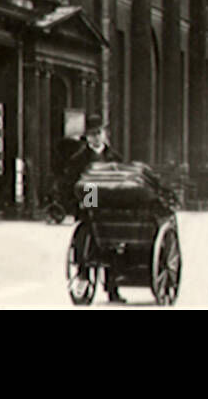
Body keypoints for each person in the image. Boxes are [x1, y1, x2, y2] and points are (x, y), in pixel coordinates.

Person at [66, 115, 126, 303]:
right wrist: (78, 201)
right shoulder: (79, 158)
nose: (96, 138)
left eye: (98, 133)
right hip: (89, 207)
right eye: (91, 135)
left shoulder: (115, 157)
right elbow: (70, 183)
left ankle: (112, 289)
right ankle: (83, 277)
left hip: (109, 207)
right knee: (84, 241)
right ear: (87, 137)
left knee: (114, 246)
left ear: (105, 134)